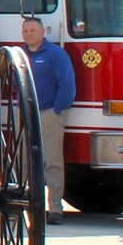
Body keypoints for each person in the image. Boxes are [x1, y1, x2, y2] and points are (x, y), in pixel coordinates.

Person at [17, 15, 76, 221]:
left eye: (32, 30)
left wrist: (58, 109)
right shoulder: (20, 55)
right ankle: (28, 205)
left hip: (49, 112)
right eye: (25, 31)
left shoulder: (55, 54)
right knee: (24, 162)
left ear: (43, 32)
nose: (28, 34)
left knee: (52, 161)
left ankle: (55, 208)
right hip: (25, 113)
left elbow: (67, 83)